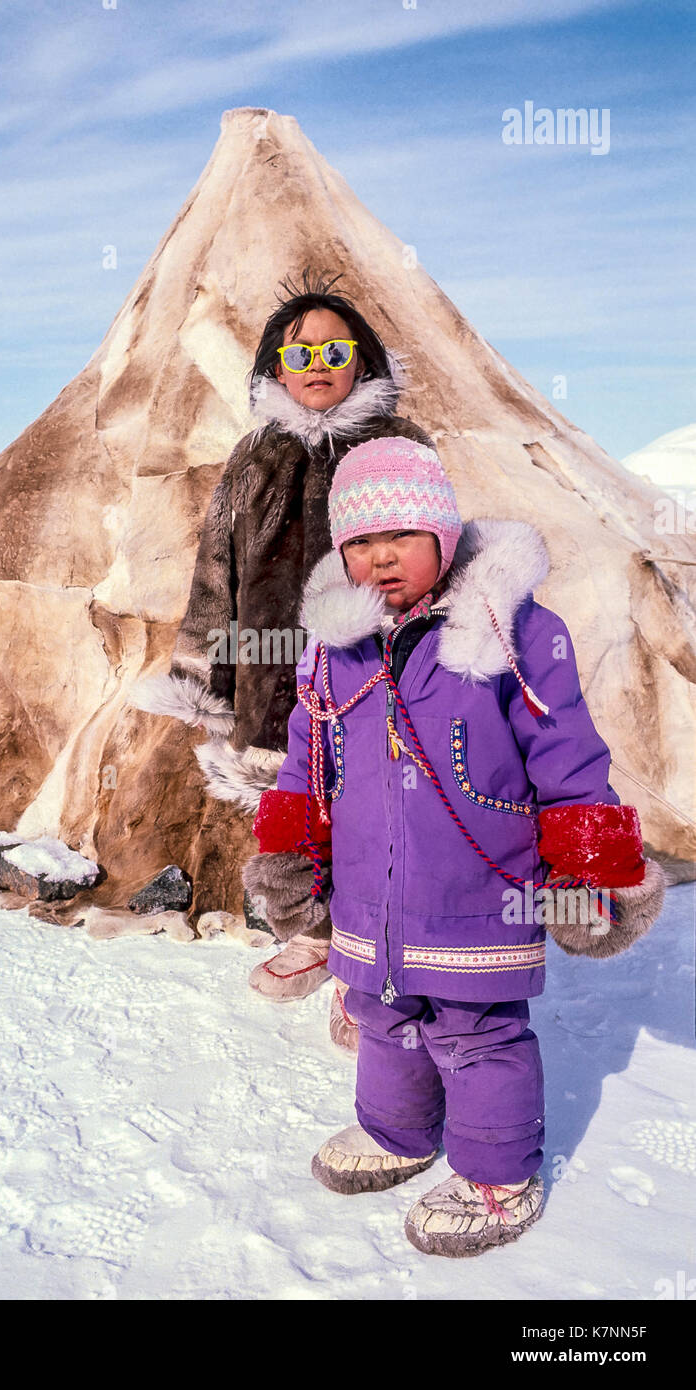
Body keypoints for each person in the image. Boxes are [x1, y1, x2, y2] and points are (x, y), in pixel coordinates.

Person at [242, 434, 667, 1257]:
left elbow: (569, 758)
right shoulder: (334, 649)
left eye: (400, 537)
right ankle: (398, 1132)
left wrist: (589, 868)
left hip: (481, 891)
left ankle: (500, 1175)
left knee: (477, 1033)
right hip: (370, 894)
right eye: (360, 542)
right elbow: (307, 759)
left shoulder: (515, 633)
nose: (381, 559)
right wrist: (294, 852)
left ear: (442, 533)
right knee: (380, 1012)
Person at [131, 270, 433, 1033]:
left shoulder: (400, 444)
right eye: (301, 355)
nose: (320, 363)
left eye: (337, 348)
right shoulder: (254, 455)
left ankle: (370, 969)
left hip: (376, 669)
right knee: (293, 814)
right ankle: (316, 936)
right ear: (276, 370)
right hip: (271, 673)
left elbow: (439, 556)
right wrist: (205, 675)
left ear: (363, 359)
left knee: (377, 817)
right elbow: (215, 572)